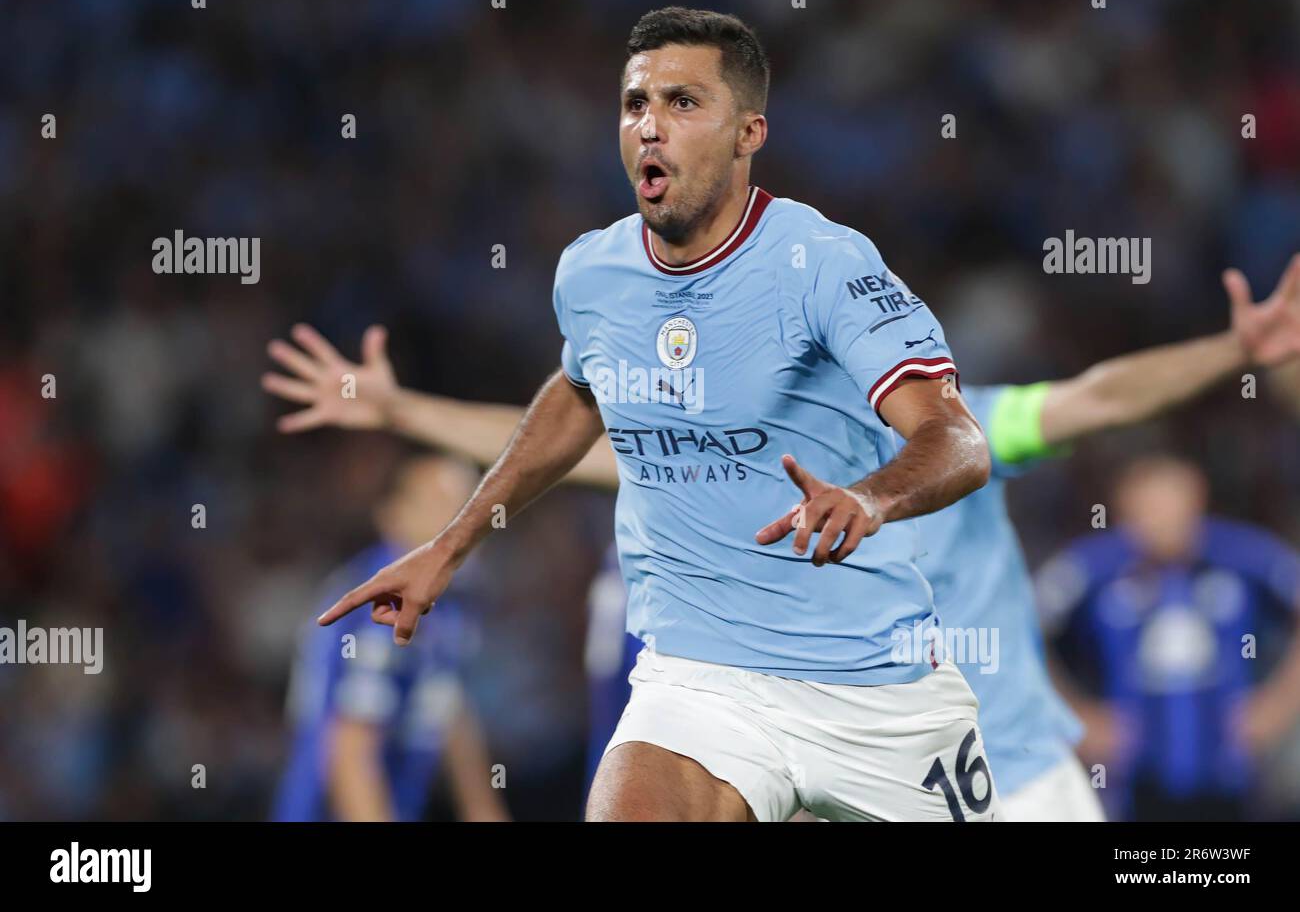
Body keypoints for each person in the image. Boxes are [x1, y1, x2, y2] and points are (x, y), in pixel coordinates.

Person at [279, 7, 1001, 823]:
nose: (650, 126)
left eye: (684, 103)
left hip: (878, 687)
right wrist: (450, 547)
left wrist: (868, 498)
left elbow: (957, 440)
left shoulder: (823, 265)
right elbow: (580, 392)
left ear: (747, 132)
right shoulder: (594, 273)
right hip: (701, 681)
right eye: (634, 105)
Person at [265, 252, 1300, 819]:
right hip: (830, 766)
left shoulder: (964, 421)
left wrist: (1229, 350)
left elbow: (1100, 395)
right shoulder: (745, 452)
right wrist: (407, 412)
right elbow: (562, 438)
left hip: (1009, 772)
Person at [1036, 454, 1300, 821]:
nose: (1163, 520)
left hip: (1235, 776)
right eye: (1148, 508)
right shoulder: (1090, 568)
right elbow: (1022, 630)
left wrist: (1280, 703)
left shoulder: (1245, 557)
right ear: (1124, 511)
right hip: (1130, 782)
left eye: (1173, 504)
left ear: (1197, 500)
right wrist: (1072, 716)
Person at [273, 453, 509, 822]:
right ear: (393, 515)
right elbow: (349, 753)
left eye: (469, 504)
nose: (462, 520)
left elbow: (447, 707)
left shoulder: (451, 601)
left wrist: (483, 809)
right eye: (441, 504)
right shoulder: (380, 605)